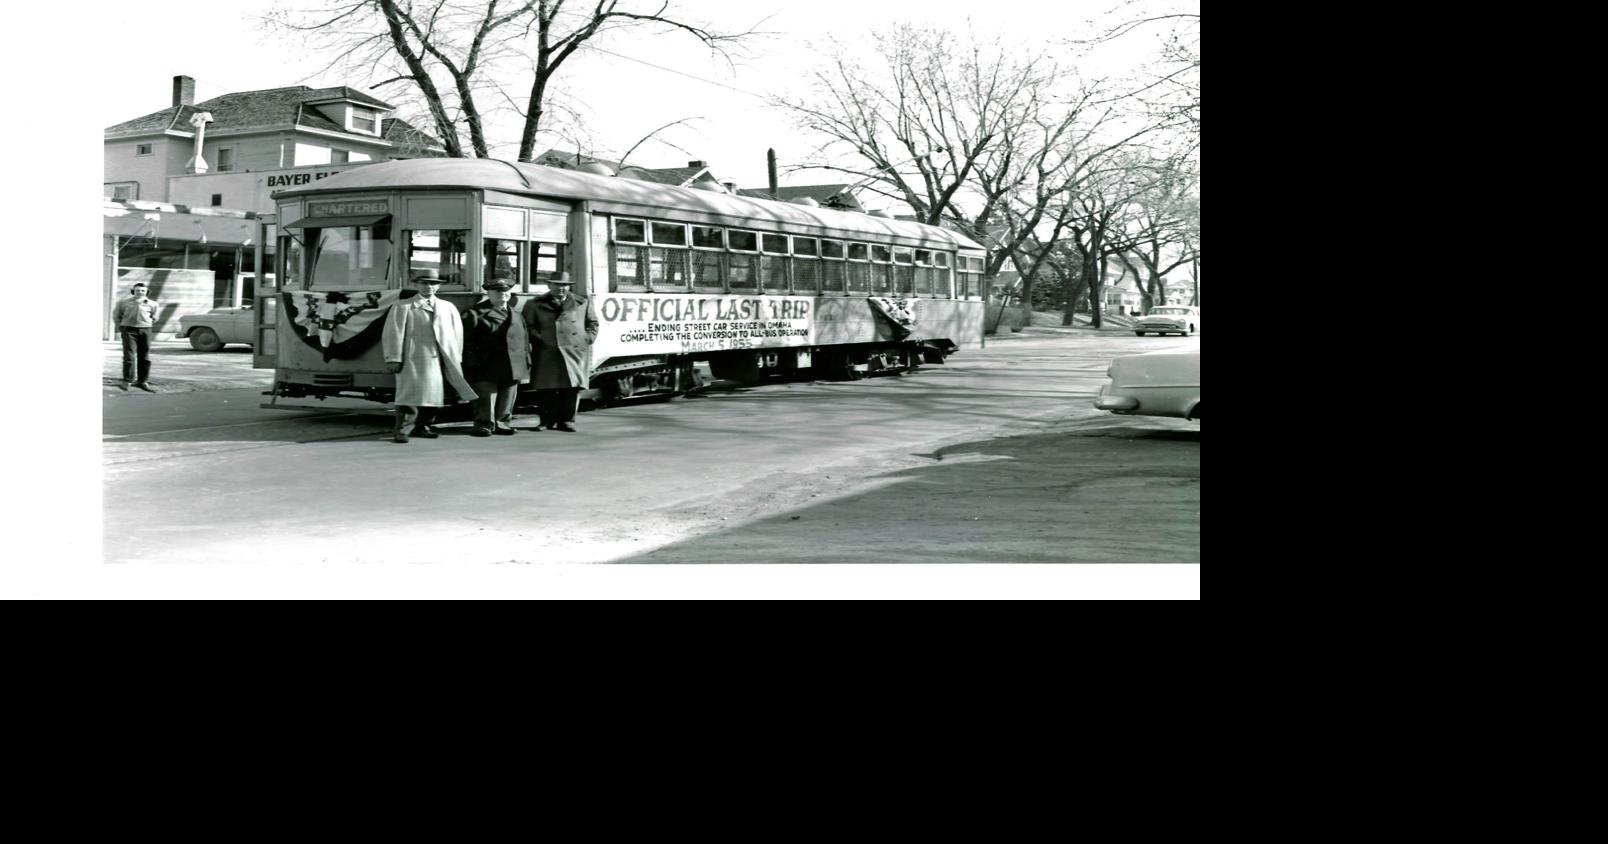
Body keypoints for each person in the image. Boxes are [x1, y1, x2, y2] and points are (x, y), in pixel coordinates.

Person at [381, 268, 477, 443]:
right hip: (412, 358)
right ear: (416, 285)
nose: (428, 287)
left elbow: (457, 334)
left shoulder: (448, 307)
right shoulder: (402, 307)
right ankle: (403, 429)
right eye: (424, 283)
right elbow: (393, 333)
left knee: (433, 395)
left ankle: (423, 426)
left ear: (438, 287)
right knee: (408, 395)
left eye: (433, 284)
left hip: (439, 359)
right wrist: (393, 358)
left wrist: (457, 357)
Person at [523, 273, 598, 432]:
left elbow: (593, 323)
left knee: (571, 388)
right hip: (546, 350)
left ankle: (567, 421)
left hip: (574, 350)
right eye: (556, 284)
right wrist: (540, 338)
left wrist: (586, 339)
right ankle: (546, 421)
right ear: (549, 285)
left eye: (564, 285)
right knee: (546, 388)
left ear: (569, 286)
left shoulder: (582, 303)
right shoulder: (534, 304)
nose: (560, 288)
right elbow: (527, 326)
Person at [460, 275, 529, 437]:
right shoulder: (474, 313)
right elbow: (467, 342)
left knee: (508, 394)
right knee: (485, 396)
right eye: (497, 292)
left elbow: (524, 340)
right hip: (485, 363)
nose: (502, 295)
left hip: (513, 363)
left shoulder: (516, 314)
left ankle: (502, 423)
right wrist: (472, 363)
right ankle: (483, 424)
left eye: (506, 292)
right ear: (488, 294)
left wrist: (527, 361)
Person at [113, 281, 160, 392]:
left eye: (142, 291)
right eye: (137, 290)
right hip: (129, 330)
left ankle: (142, 381)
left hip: (145, 330)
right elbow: (117, 316)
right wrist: (121, 327)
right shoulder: (123, 302)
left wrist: (153, 319)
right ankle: (127, 380)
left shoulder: (153, 304)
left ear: (146, 292)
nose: (140, 292)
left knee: (145, 356)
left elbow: (155, 316)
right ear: (133, 291)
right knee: (129, 356)